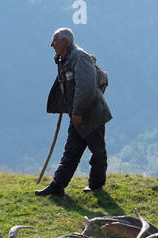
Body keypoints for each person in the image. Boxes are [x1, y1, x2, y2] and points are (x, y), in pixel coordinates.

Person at [36, 27, 111, 197]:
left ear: (64, 42)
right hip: (77, 114)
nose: (51, 44)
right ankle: (57, 186)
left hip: (91, 114)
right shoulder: (65, 58)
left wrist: (77, 112)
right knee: (71, 151)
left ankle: (96, 186)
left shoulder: (79, 57)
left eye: (54, 40)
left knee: (98, 151)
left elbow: (86, 87)